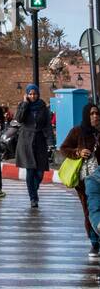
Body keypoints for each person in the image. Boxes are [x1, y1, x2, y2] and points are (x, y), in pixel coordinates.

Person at [58, 101, 100, 255]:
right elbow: (64, 148)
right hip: (85, 180)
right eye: (92, 114)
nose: (95, 116)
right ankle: (95, 243)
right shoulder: (77, 131)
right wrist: (78, 152)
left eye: (97, 113)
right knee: (90, 210)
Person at [14, 83, 54, 208]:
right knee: (30, 170)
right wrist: (25, 104)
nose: (33, 96)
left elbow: (47, 125)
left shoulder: (43, 107)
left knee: (40, 172)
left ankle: (33, 189)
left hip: (40, 141)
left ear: (38, 94)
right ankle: (33, 198)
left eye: (35, 93)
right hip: (26, 141)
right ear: (27, 94)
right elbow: (19, 119)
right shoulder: (22, 105)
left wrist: (50, 142)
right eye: (30, 94)